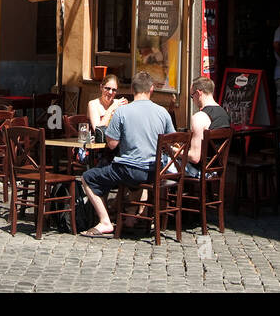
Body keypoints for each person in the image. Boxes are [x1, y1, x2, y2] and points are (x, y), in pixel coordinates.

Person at [79, 71, 175, 237]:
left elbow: (111, 144)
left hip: (129, 170)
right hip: (155, 172)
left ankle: (105, 221)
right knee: (133, 176)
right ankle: (130, 219)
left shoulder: (122, 112)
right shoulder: (163, 113)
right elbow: (172, 142)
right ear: (151, 89)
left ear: (132, 89)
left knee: (87, 177)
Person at [183, 77, 230, 176]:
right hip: (217, 170)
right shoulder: (225, 114)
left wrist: (174, 151)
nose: (193, 100)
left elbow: (195, 157)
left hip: (201, 172)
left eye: (192, 96)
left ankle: (177, 192)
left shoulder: (199, 117)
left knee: (161, 164)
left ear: (198, 93)